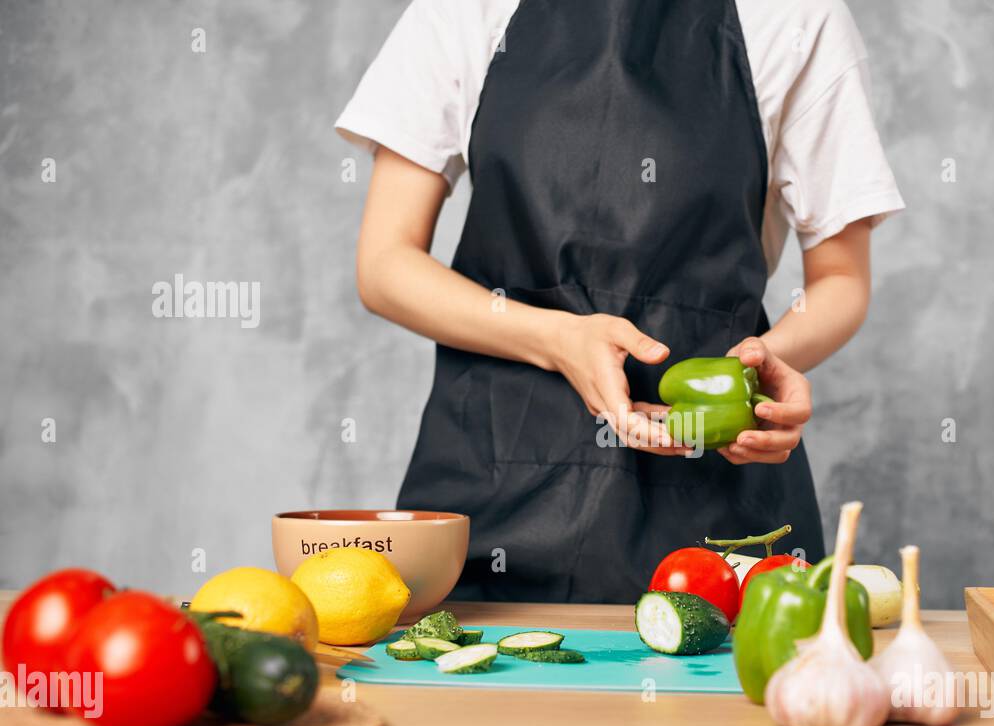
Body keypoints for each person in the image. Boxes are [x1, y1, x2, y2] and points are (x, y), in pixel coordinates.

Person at [336, 0, 903, 602]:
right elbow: (385, 265)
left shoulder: (799, 17)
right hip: (496, 478)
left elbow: (840, 279)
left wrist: (763, 365)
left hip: (711, 494)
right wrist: (557, 339)